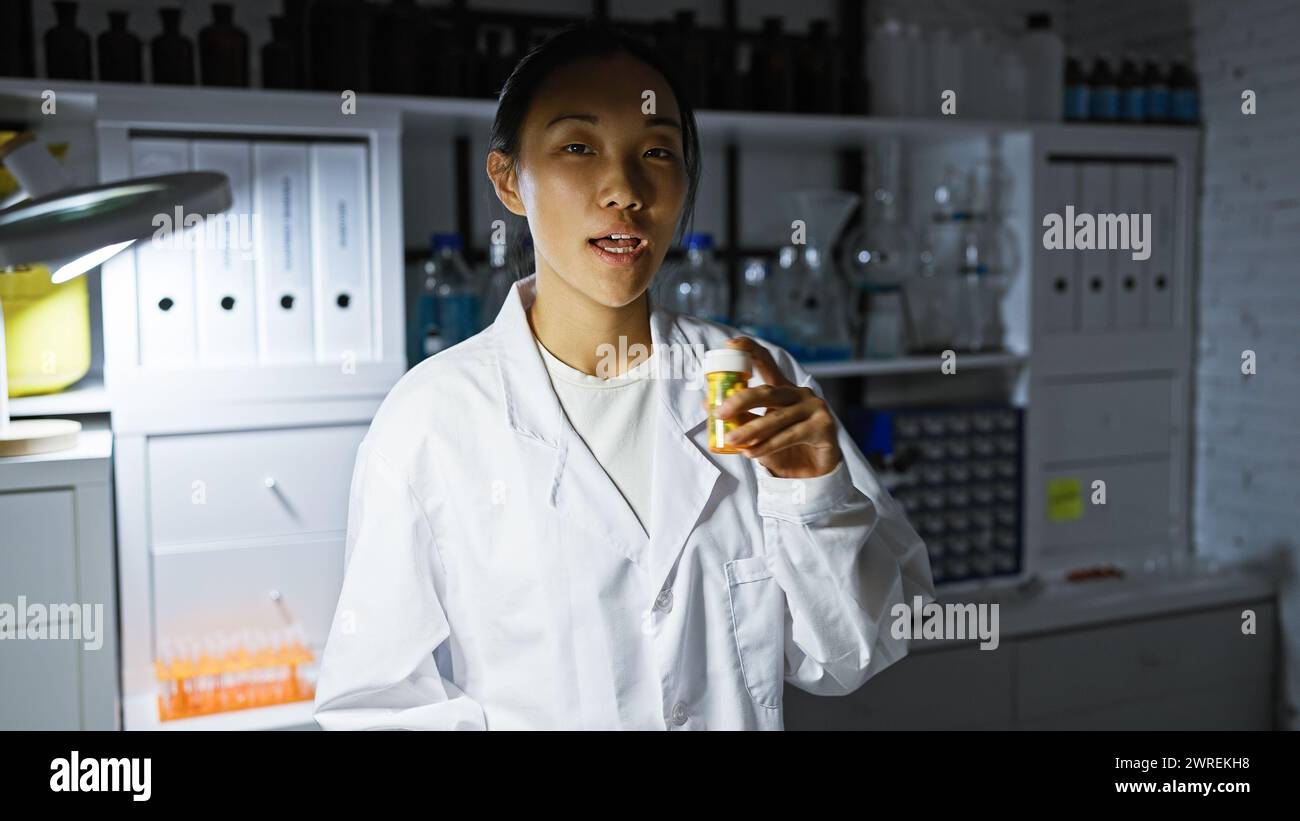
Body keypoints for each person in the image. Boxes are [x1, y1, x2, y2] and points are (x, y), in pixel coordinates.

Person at [312, 20, 935, 731]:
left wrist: (814, 495)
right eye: (578, 147)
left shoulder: (758, 383)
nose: (625, 189)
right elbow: (373, 703)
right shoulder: (431, 417)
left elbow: (854, 653)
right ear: (510, 180)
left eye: (657, 152)